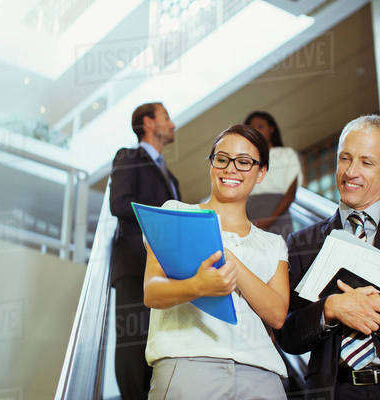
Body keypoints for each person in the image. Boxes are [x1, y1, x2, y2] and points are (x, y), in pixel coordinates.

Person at [275, 115, 380, 400]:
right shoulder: (302, 242)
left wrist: (377, 303)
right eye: (345, 158)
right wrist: (330, 309)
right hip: (336, 391)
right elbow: (287, 334)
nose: (351, 171)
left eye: (366, 163)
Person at [144, 124, 290, 400]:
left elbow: (277, 314)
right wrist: (198, 285)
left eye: (244, 162)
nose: (230, 169)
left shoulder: (273, 245)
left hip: (261, 375)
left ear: (261, 173)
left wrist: (227, 256)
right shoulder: (176, 214)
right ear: (211, 165)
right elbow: (153, 292)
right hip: (189, 367)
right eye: (222, 159)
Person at [110, 102, 181, 400]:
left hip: (165, 270)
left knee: (159, 342)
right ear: (149, 124)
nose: (173, 123)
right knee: (133, 342)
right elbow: (119, 203)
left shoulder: (172, 178)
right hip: (136, 264)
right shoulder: (129, 157)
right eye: (166, 117)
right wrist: (161, 223)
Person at [244, 111, 303, 239]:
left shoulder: (287, 154)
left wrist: (269, 220)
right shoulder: (244, 159)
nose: (256, 131)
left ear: (271, 129)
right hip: (250, 218)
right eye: (252, 128)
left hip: (278, 216)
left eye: (260, 127)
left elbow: (291, 193)